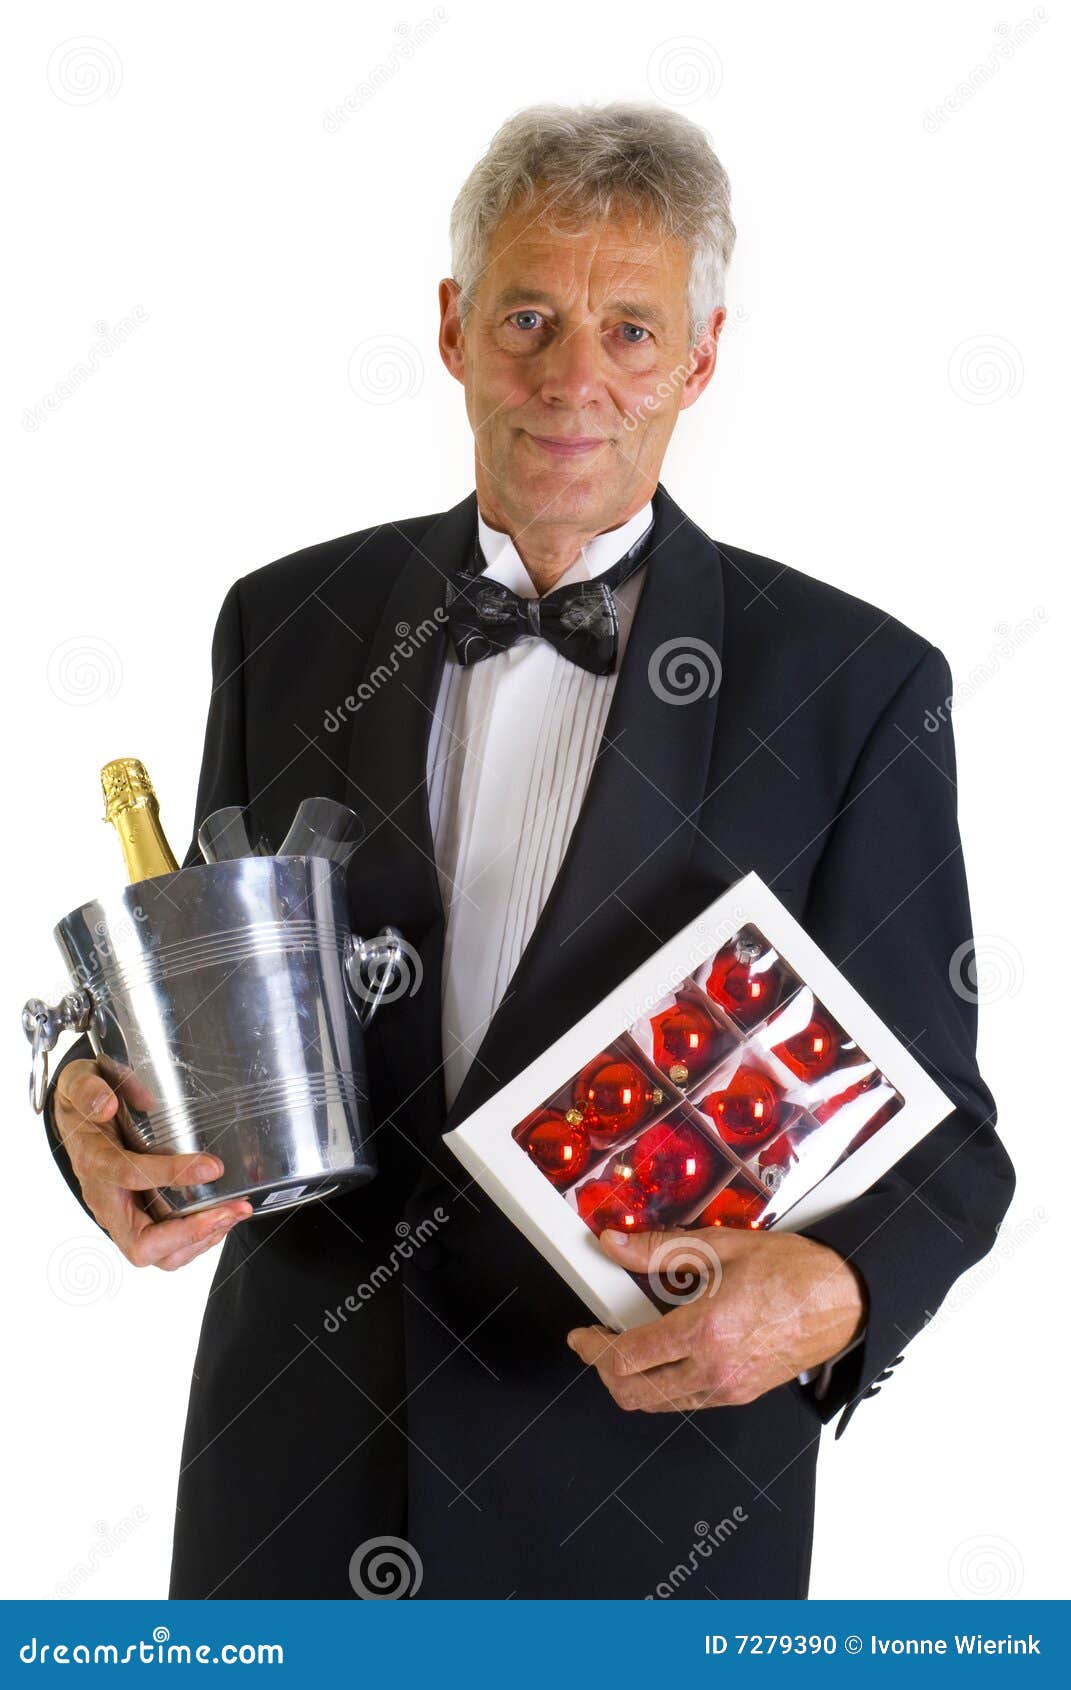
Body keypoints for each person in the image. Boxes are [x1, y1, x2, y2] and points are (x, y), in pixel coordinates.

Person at [44, 103, 1014, 1599]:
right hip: (294, 1483)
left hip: (647, 1510)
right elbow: (196, 1000)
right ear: (451, 328)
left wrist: (838, 1290)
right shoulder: (283, 624)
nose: (576, 379)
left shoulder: (854, 683)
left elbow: (944, 1140)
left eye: (631, 330)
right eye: (530, 317)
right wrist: (80, 1102)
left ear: (700, 358)